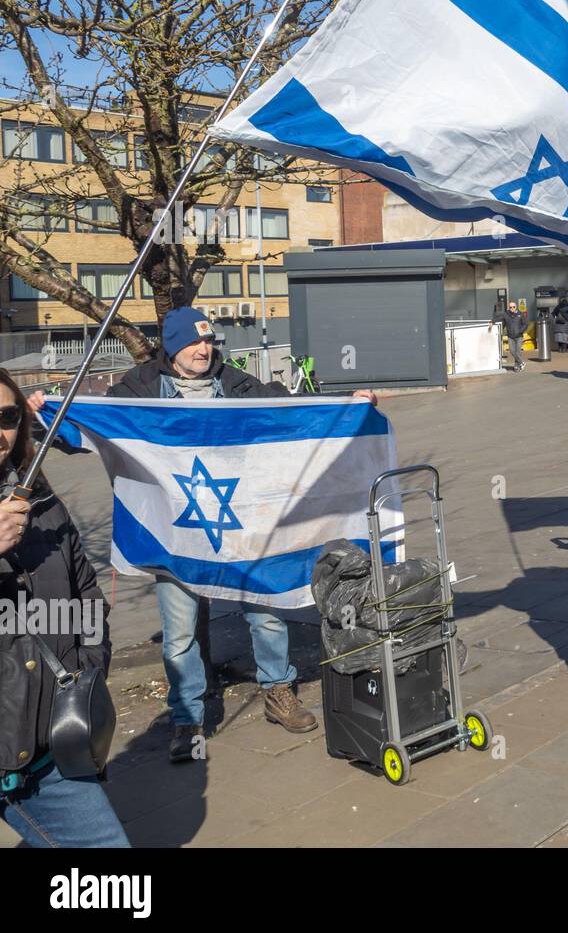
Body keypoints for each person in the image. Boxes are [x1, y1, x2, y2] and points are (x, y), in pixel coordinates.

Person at [93, 307, 376, 761]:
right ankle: (187, 717)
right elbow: (94, 423)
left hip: (246, 525)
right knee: (180, 630)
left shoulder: (238, 384)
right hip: (178, 531)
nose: (204, 350)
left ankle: (278, 691)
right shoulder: (139, 388)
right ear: (172, 345)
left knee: (265, 612)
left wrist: (346, 401)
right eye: (193, 342)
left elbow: (290, 409)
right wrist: (43, 413)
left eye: (209, 343)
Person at [1, 368, 130, 847]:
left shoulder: (42, 500)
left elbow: (85, 596)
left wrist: (85, 674)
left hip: (47, 751)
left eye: (7, 415)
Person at [499, 300, 528, 371]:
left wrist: (520, 331)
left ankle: (516, 366)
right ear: (509, 308)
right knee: (512, 351)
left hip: (519, 336)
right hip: (510, 336)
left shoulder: (520, 314)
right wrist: (492, 322)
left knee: (518, 352)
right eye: (511, 307)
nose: (512, 308)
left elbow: (525, 324)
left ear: (516, 307)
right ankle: (522, 362)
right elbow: (500, 320)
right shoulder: (506, 314)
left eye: (514, 307)